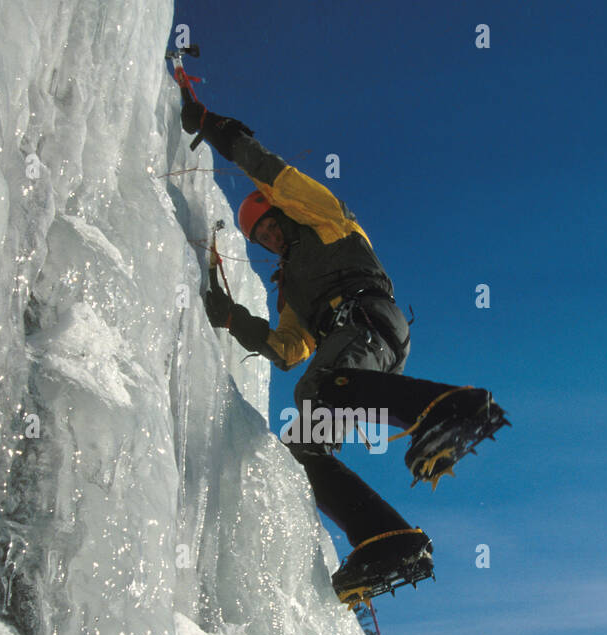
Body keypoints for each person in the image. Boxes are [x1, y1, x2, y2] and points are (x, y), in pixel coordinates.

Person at [183, 102, 508, 607]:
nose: (268, 237)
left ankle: (453, 406)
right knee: (302, 450)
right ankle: (389, 540)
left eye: (268, 224)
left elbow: (271, 171)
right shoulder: (291, 286)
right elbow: (289, 348)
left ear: (279, 211)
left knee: (318, 385)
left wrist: (214, 127)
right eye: (260, 237)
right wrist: (231, 319)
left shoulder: (325, 221)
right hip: (358, 352)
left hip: (366, 321)